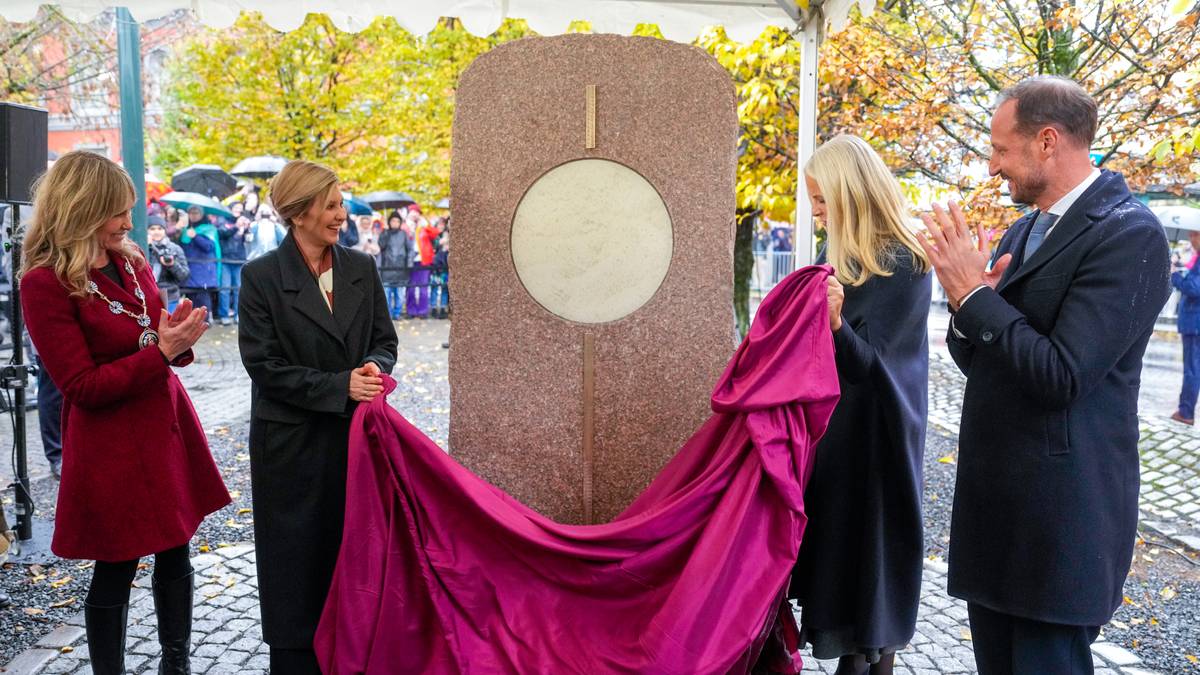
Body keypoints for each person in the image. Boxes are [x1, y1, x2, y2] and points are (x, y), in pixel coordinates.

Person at [919, 76, 1170, 674]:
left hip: (1060, 524)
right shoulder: (1024, 228)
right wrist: (966, 306)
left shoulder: (1129, 234)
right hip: (1000, 510)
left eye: (1001, 149)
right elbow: (985, 361)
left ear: (1048, 141)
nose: (991, 165)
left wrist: (972, 298)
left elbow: (1062, 375)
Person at [18, 151, 229, 675]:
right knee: (117, 565)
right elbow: (80, 386)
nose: (129, 223)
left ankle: (175, 662)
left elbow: (150, 334)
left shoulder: (131, 259)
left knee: (177, 547)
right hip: (110, 443)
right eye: (118, 212)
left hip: (163, 426)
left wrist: (176, 338)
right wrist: (159, 351)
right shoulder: (43, 283)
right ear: (82, 210)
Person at [238, 160, 398, 674]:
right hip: (290, 447)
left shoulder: (361, 268)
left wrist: (376, 365)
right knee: (294, 568)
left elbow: (384, 339)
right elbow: (264, 366)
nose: (341, 213)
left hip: (354, 441)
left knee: (350, 557)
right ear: (300, 212)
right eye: (330, 205)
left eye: (339, 202)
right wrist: (339, 386)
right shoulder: (260, 277)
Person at [786, 135, 931, 675]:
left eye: (822, 200)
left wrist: (835, 324)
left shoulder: (905, 260)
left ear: (851, 194)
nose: (817, 212)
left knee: (871, 579)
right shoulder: (839, 252)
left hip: (879, 440)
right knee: (844, 567)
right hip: (838, 437)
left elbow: (880, 368)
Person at [1170, 229, 1200, 425]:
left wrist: (1174, 275)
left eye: (1195, 234)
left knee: (1192, 368)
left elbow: (1194, 288)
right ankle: (1185, 410)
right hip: (1193, 322)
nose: (1191, 237)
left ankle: (1186, 412)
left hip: (1194, 323)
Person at [179, 206, 220, 318]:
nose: (193, 215)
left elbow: (209, 247)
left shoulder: (209, 229)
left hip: (203, 271)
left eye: (196, 212)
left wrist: (195, 236)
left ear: (202, 214)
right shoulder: (186, 229)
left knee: (203, 300)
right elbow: (182, 247)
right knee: (190, 300)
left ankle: (204, 321)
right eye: (191, 213)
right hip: (189, 270)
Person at [147, 216, 190, 312]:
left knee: (170, 324)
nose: (156, 232)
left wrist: (172, 264)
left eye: (160, 228)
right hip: (148, 296)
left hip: (170, 296)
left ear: (165, 230)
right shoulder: (142, 247)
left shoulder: (175, 248)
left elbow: (183, 275)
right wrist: (148, 247)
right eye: (152, 229)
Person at [377, 212, 412, 320]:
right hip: (387, 268)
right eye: (393, 221)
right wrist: (386, 234)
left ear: (400, 222)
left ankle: (397, 313)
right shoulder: (384, 233)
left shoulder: (404, 234)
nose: (395, 223)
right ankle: (388, 315)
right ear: (389, 222)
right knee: (387, 294)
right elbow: (381, 246)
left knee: (400, 295)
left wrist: (409, 263)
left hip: (401, 269)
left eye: (397, 221)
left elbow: (410, 249)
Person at [217, 213, 250, 324]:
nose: (238, 210)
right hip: (226, 260)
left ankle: (238, 314)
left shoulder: (244, 223)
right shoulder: (222, 221)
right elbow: (223, 233)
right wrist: (236, 226)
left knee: (239, 290)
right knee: (225, 289)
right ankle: (224, 315)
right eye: (236, 208)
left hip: (239, 260)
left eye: (240, 209)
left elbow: (248, 239)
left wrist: (246, 229)